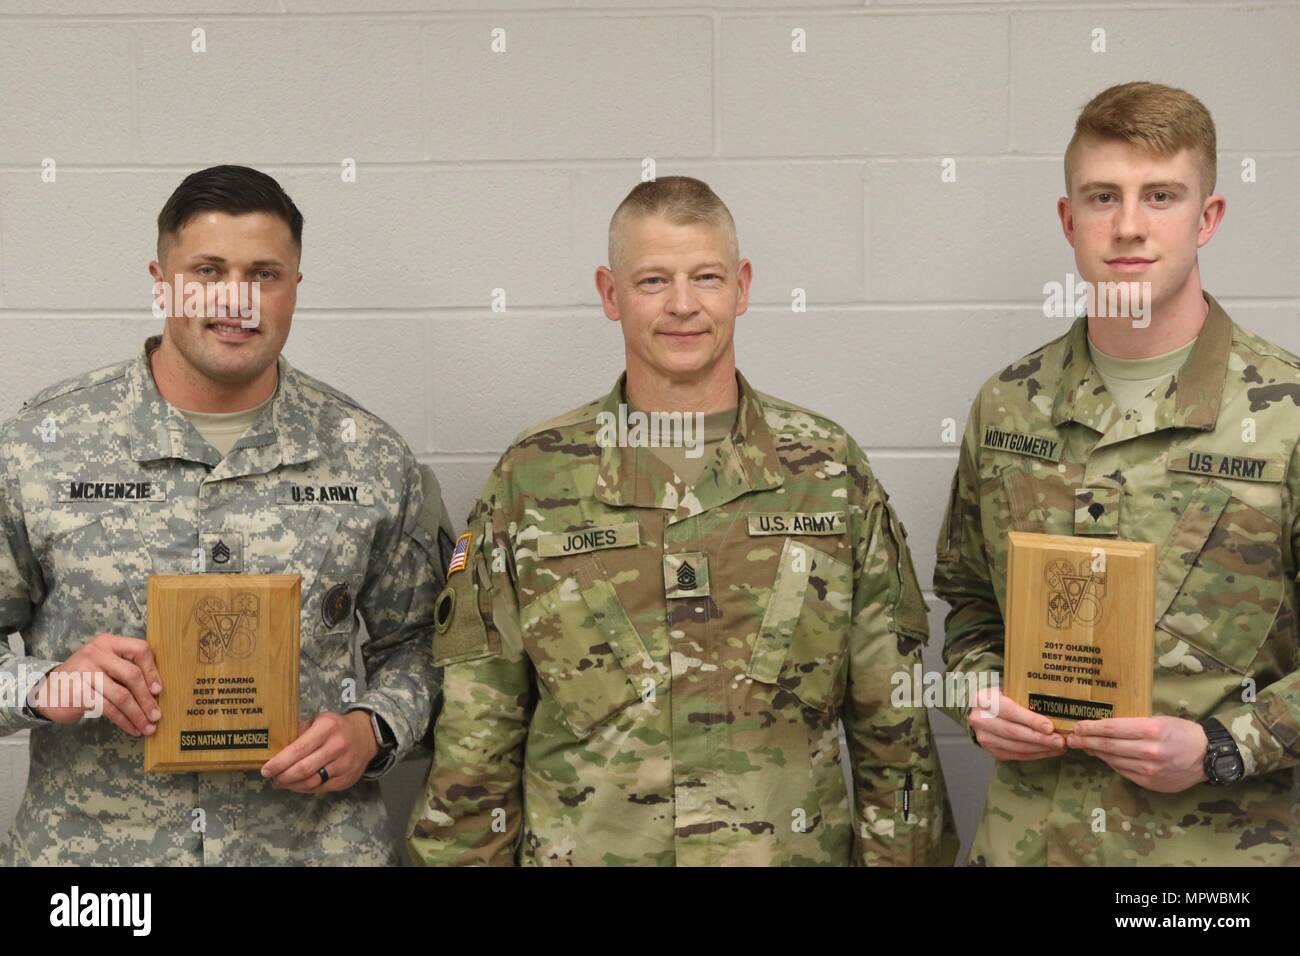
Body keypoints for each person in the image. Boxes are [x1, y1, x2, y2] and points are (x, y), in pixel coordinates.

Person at [406, 175, 958, 866]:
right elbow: (478, 729)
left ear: (743, 286)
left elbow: (892, 725)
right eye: (653, 281)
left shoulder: (827, 472)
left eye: (707, 276)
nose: (684, 305)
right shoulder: (534, 478)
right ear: (611, 295)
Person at [0, 165, 453, 864]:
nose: (237, 298)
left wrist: (375, 728)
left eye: (265, 273)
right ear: (161, 280)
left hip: (311, 849)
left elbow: (429, 648)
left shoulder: (369, 457)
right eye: (207, 270)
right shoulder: (40, 447)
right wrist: (46, 684)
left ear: (296, 286)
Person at [934, 82, 1299, 865]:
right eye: (1103, 196)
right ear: (1069, 220)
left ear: (1208, 218)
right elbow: (967, 604)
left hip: (1211, 869)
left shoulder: (1287, 416)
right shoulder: (1008, 407)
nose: (1128, 226)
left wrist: (1222, 745)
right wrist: (980, 697)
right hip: (1031, 844)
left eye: (1160, 195)